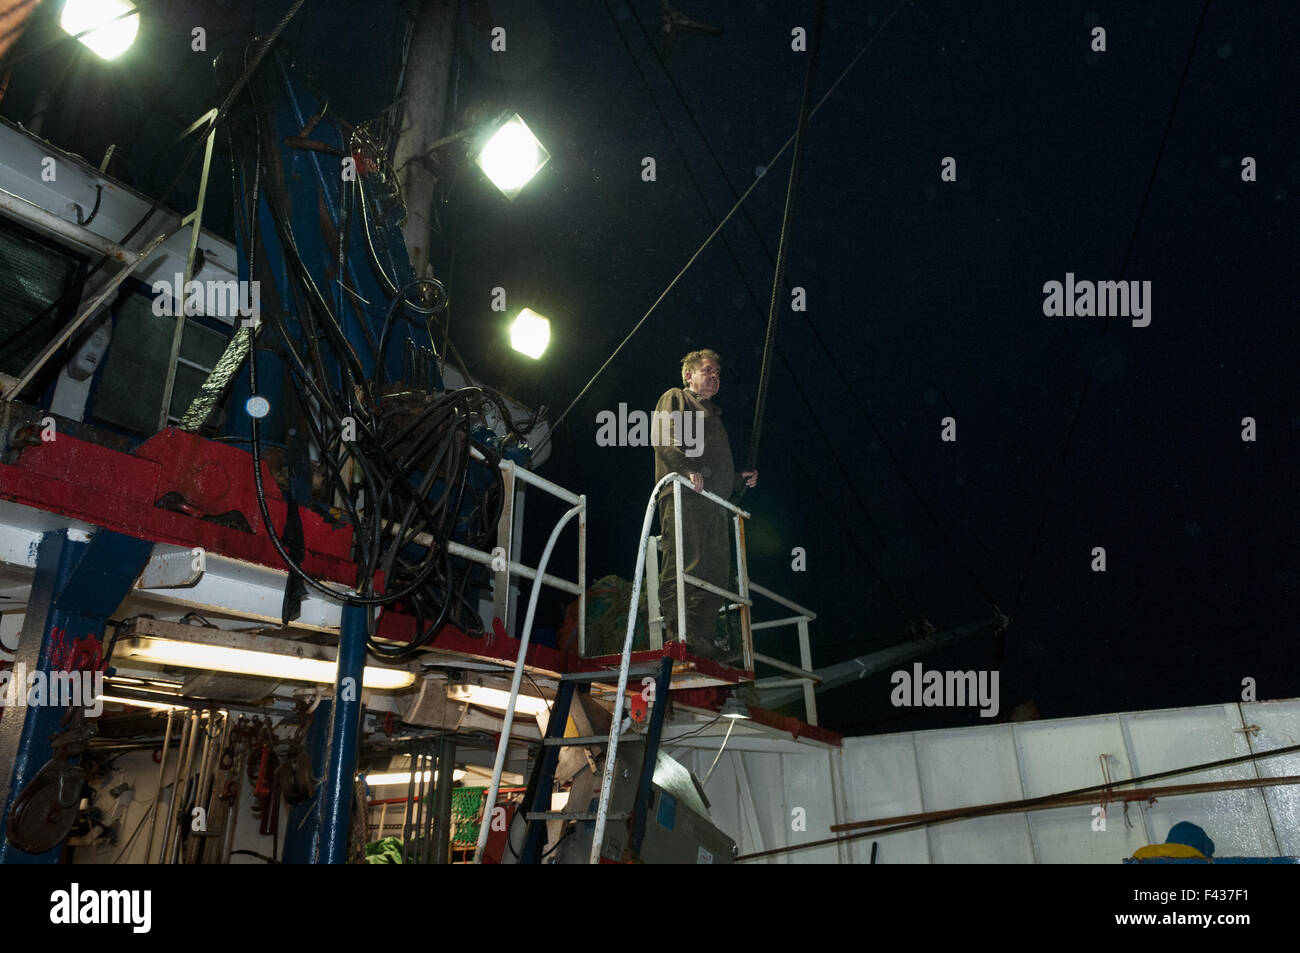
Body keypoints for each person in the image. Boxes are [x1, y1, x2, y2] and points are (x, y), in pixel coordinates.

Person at [652, 349, 757, 659]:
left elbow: (714, 467)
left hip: (714, 504)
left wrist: (740, 479)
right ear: (689, 375)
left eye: (718, 374)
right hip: (684, 495)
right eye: (708, 370)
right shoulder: (676, 399)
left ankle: (703, 639)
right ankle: (679, 634)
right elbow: (663, 436)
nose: (715, 377)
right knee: (685, 563)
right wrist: (685, 469)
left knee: (716, 571)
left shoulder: (714, 416)